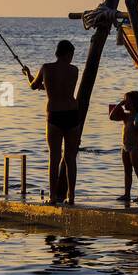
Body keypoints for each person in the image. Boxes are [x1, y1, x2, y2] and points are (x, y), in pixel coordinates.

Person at [24, 40, 82, 205]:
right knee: (70, 158)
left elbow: (34, 86)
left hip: (55, 115)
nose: (72, 58)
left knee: (54, 158)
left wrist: (27, 74)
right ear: (67, 53)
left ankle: (52, 197)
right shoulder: (74, 70)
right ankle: (71, 197)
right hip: (72, 114)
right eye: (71, 54)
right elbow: (62, 87)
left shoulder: (46, 68)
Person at [109, 90, 138, 206]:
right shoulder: (125, 116)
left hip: (135, 147)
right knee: (127, 171)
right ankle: (127, 193)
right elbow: (112, 117)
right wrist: (119, 104)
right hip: (125, 146)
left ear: (134, 103)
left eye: (127, 101)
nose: (125, 103)